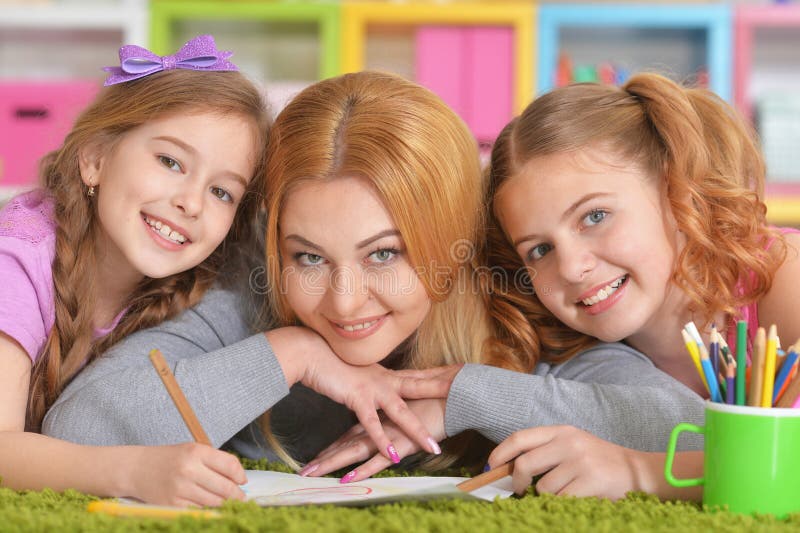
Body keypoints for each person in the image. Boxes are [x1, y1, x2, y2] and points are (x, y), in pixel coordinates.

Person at [43, 72, 703, 492]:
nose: (345, 301)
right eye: (307, 258)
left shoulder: (515, 307)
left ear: (454, 240)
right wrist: (290, 355)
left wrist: (465, 394)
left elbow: (694, 432)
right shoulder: (250, 301)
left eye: (384, 254)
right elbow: (76, 425)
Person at [0, 38, 441, 508]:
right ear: (94, 158)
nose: (190, 202)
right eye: (170, 162)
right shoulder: (19, 259)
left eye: (222, 192)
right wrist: (131, 469)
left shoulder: (196, 270)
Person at [480, 72, 800, 499]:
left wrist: (641, 471)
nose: (572, 268)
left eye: (594, 216)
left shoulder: (779, 274)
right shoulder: (575, 342)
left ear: (675, 190)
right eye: (539, 250)